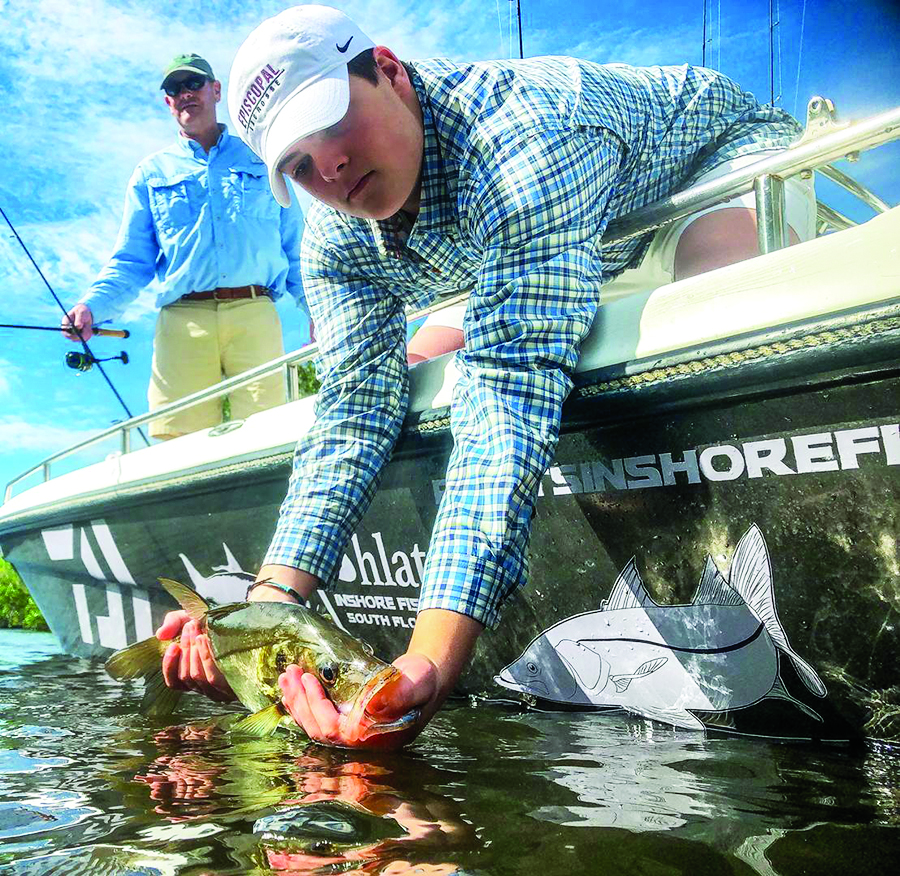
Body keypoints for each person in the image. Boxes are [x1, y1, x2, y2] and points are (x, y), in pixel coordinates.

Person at [158, 5, 815, 745]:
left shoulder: (527, 134)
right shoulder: (333, 237)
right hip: (555, 249)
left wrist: (430, 658)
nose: (331, 170)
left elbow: (504, 389)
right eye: (298, 165)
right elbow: (352, 413)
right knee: (412, 366)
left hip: (700, 179)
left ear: (389, 70)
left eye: (332, 125)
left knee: (713, 300)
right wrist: (260, 611)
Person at [63, 53, 307, 440]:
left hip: (255, 314)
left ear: (215, 90)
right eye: (174, 89)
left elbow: (295, 251)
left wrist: (318, 311)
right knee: (176, 445)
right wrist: (92, 307)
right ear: (167, 103)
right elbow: (132, 260)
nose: (184, 94)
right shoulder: (150, 173)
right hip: (182, 322)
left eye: (193, 84)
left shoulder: (263, 158)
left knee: (272, 436)